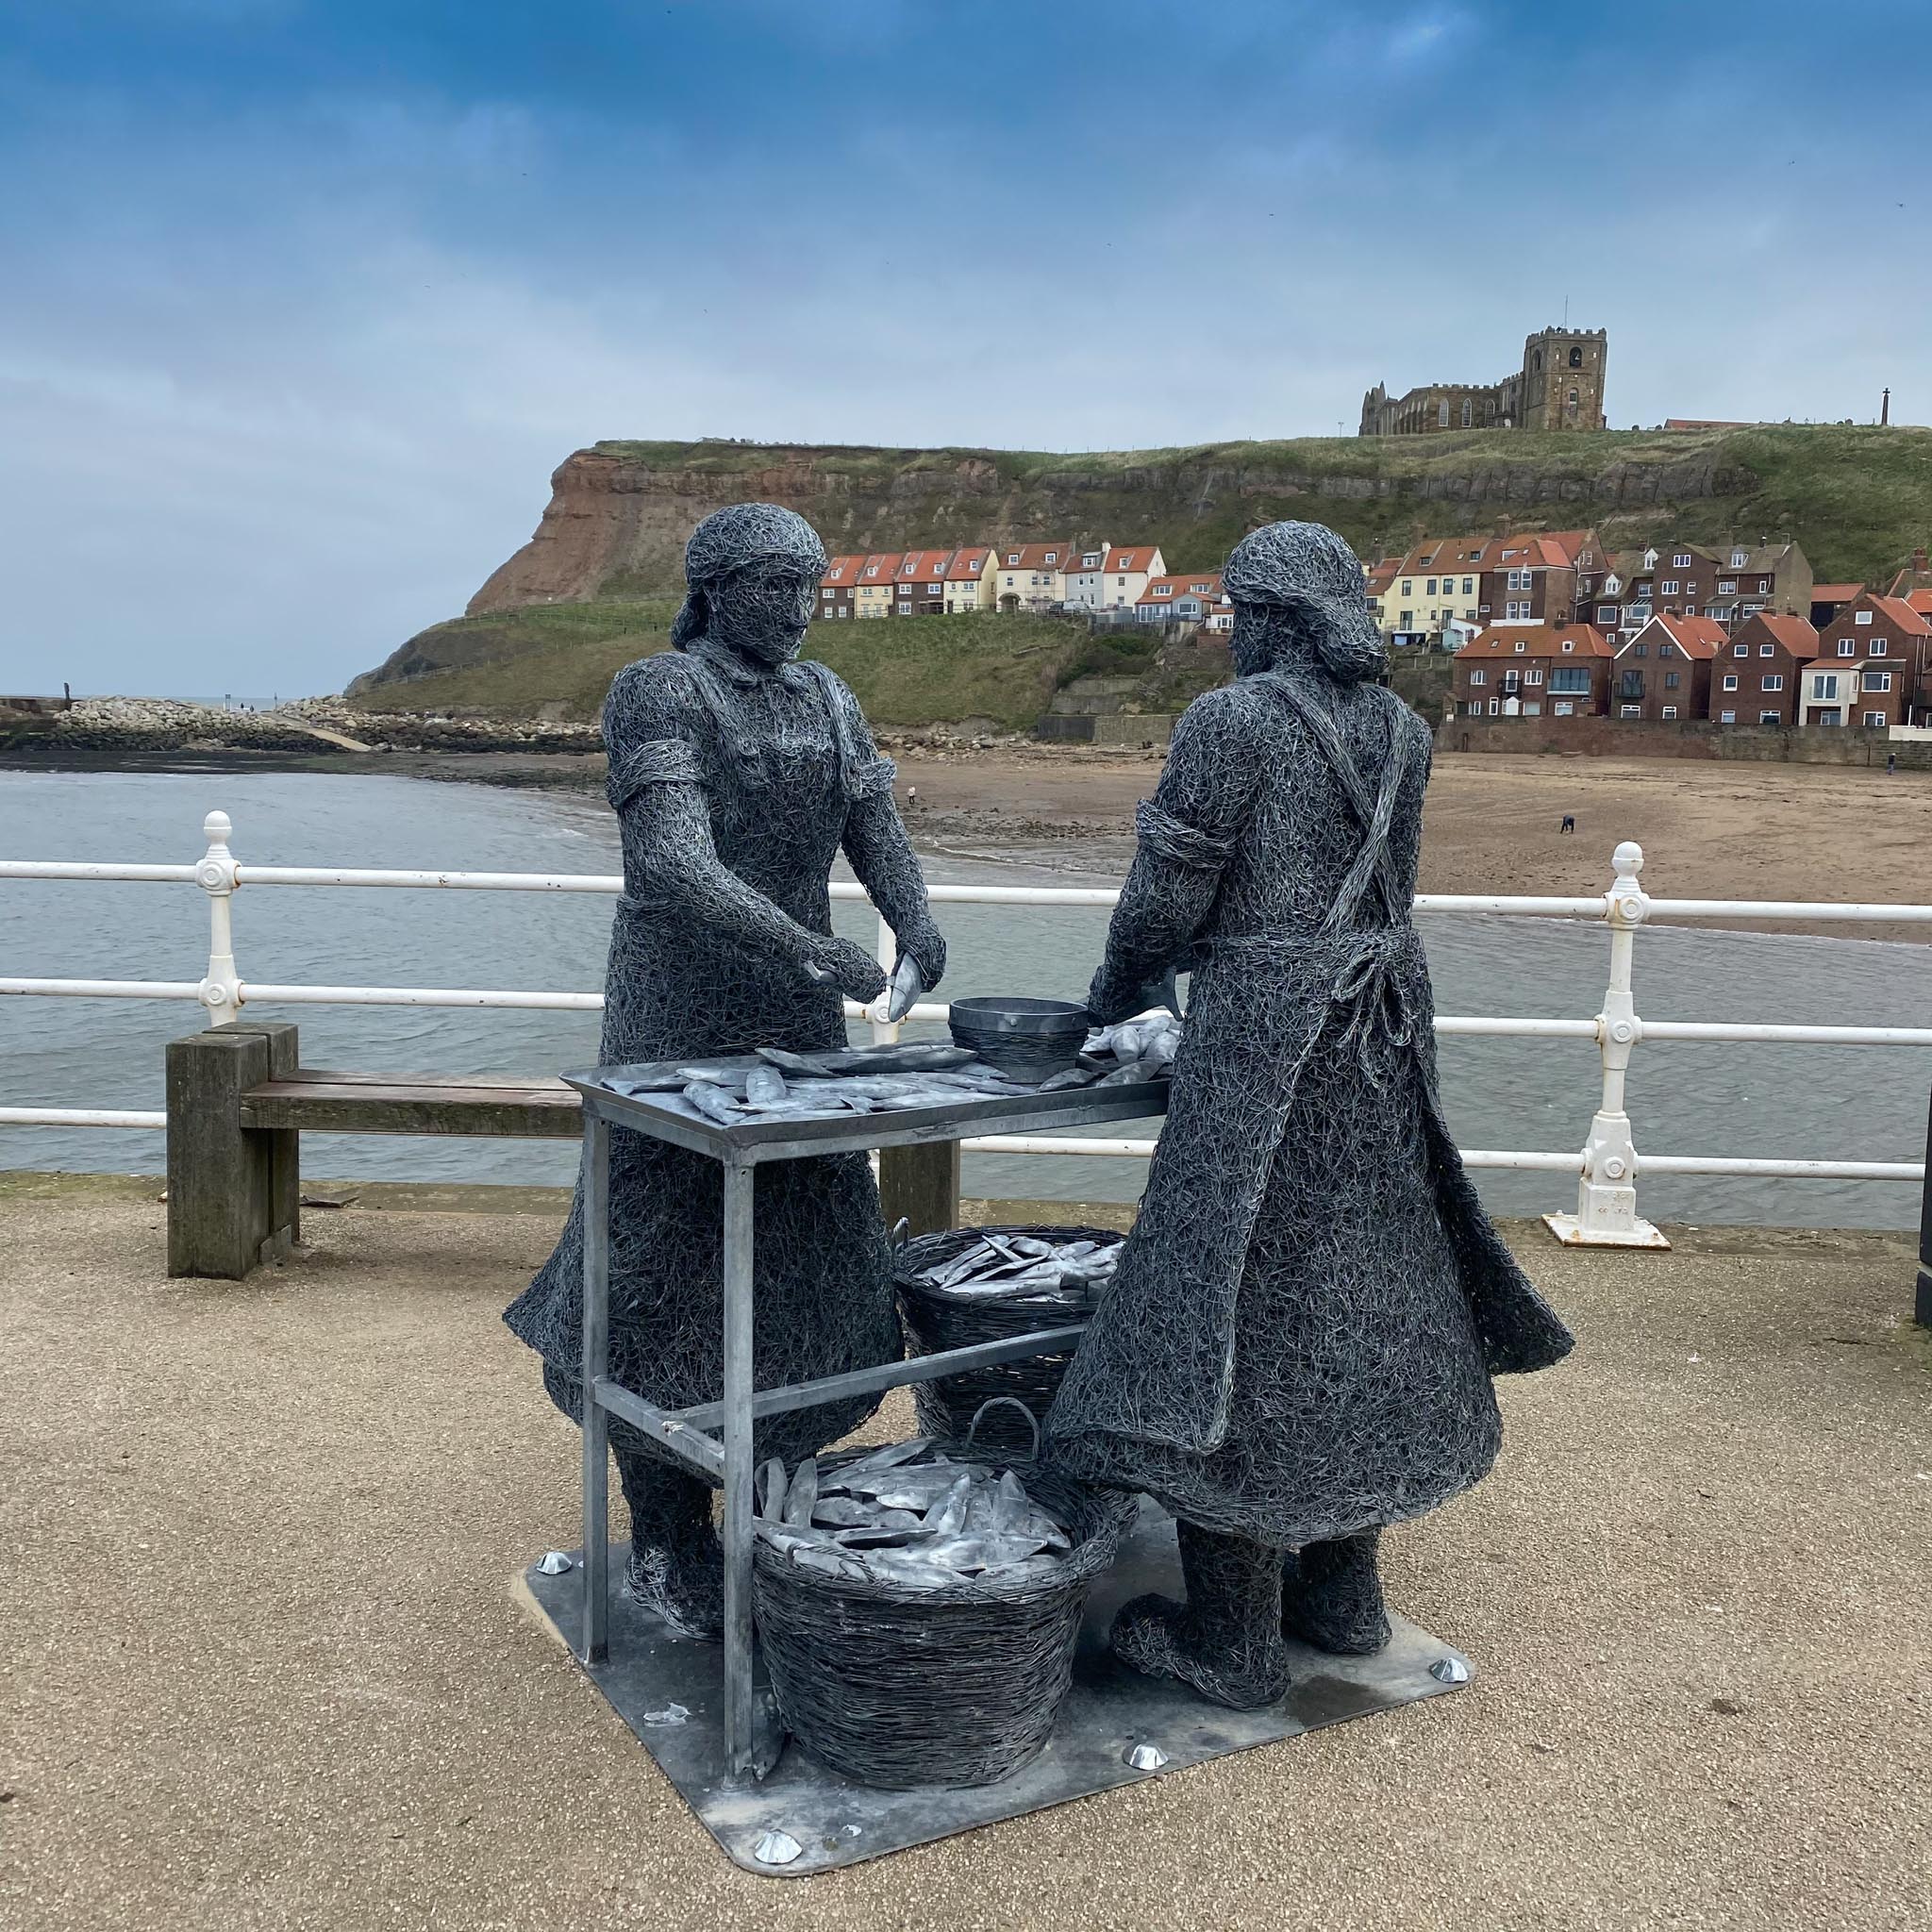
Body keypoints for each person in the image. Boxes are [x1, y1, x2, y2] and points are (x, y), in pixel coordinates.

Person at [1047, 520, 1573, 1708]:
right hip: (1380, 1038)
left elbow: (1162, 899)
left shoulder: (1230, 724)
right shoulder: (1402, 729)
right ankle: (1341, 1597)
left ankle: (1229, 1644)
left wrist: (1113, 994)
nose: (1231, 635)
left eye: (1239, 614)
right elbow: (1388, 888)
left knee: (1223, 1304)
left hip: (1263, 1047)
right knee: (1366, 1296)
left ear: (1273, 618)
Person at [506, 503, 946, 1638]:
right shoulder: (660, 689)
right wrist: (810, 941)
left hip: (797, 1008)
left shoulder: (826, 695)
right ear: (716, 587)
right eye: (773, 587)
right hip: (676, 1002)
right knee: (669, 1252)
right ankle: (663, 1526)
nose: (798, 609)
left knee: (798, 1237)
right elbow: (670, 860)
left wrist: (913, 917)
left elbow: (870, 817)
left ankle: (767, 1466)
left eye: (810, 586)